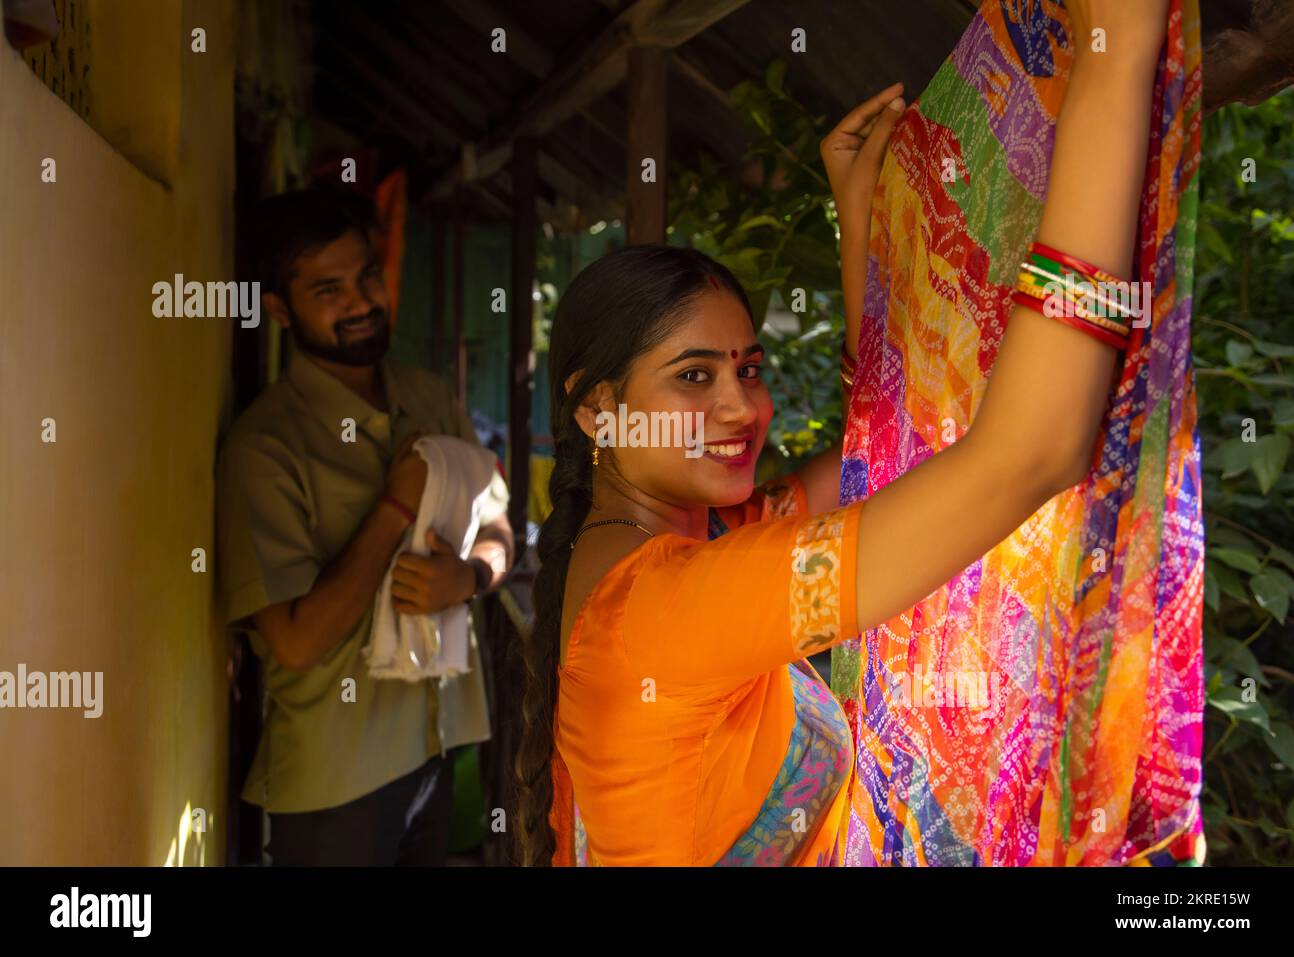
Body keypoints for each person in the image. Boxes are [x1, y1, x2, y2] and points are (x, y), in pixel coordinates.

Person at [514, 0, 1170, 865]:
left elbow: (881, 455)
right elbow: (1030, 455)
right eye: (693, 376)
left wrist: (859, 218)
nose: (742, 409)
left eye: (748, 369)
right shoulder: (668, 605)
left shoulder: (682, 552)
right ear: (596, 408)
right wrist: (1115, 61)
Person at [217, 188, 513, 865]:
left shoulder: (429, 395)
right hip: (336, 779)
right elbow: (294, 642)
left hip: (438, 749)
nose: (361, 301)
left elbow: (497, 514)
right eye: (329, 289)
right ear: (279, 309)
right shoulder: (264, 447)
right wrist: (396, 509)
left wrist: (468, 577)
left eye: (367, 276)